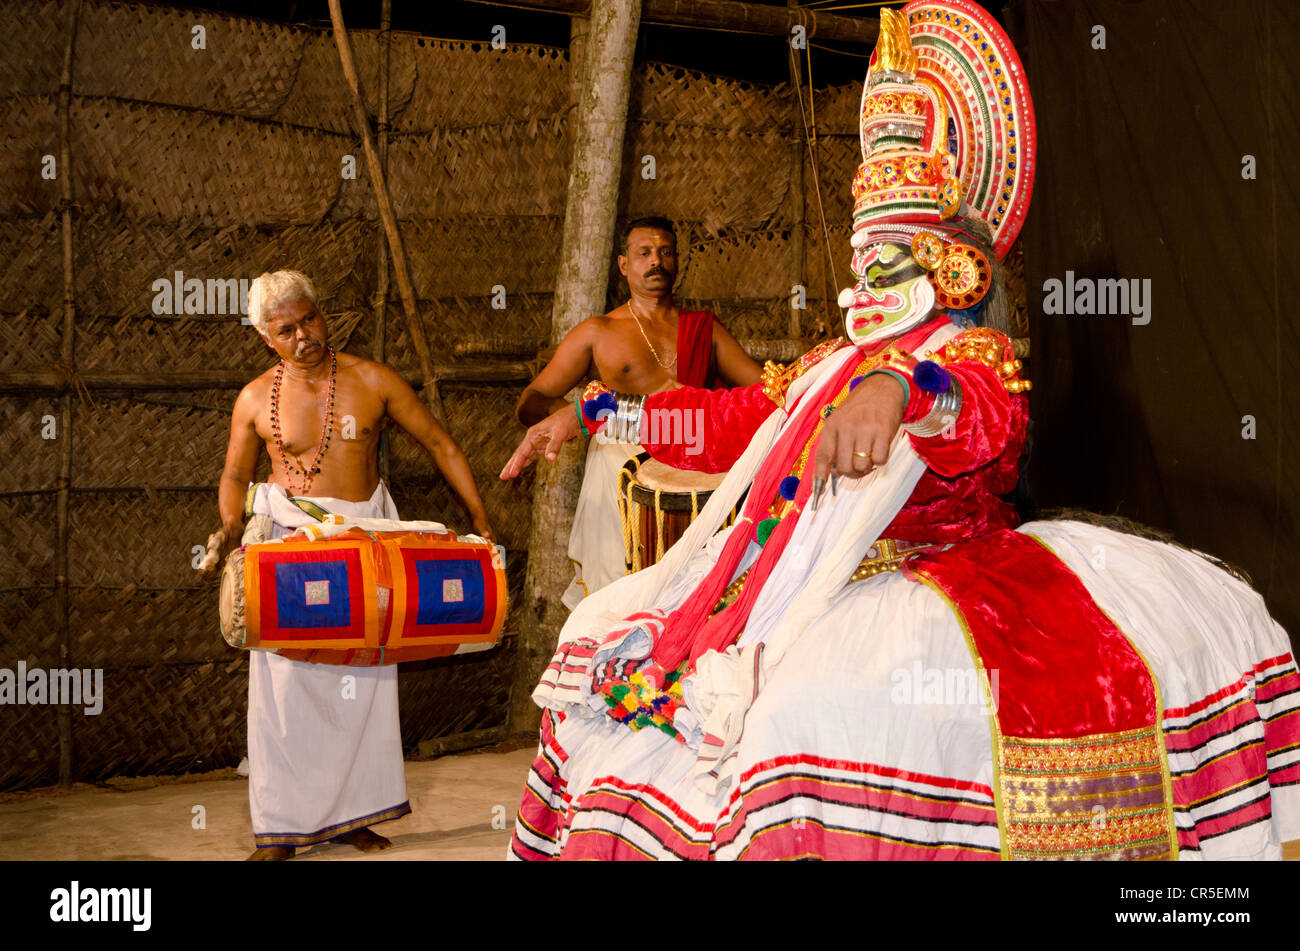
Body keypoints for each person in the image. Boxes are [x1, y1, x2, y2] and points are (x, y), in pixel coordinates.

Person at [500, 0, 1300, 860]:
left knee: (798, 725)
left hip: (926, 586)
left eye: (890, 254)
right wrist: (593, 415)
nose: (866, 271)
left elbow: (978, 423)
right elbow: (725, 421)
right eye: (860, 253)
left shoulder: (973, 354)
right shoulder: (825, 365)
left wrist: (899, 388)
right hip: (788, 583)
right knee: (598, 637)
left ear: (948, 262)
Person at [213, 269, 495, 860]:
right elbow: (237, 476)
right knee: (284, 689)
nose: (303, 336)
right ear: (267, 335)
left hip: (367, 546)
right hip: (292, 548)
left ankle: (354, 815)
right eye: (286, 329)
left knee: (363, 685)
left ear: (322, 313)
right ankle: (282, 828)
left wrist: (481, 518)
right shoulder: (253, 398)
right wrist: (229, 528)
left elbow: (440, 444)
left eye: (309, 319)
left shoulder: (372, 380)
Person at [505, 216, 760, 607]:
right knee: (617, 597)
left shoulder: (704, 330)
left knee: (690, 599)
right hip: (616, 473)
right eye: (644, 253)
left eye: (666, 252)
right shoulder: (598, 331)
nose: (656, 261)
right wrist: (579, 417)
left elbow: (763, 392)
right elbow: (533, 399)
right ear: (624, 264)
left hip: (693, 474)